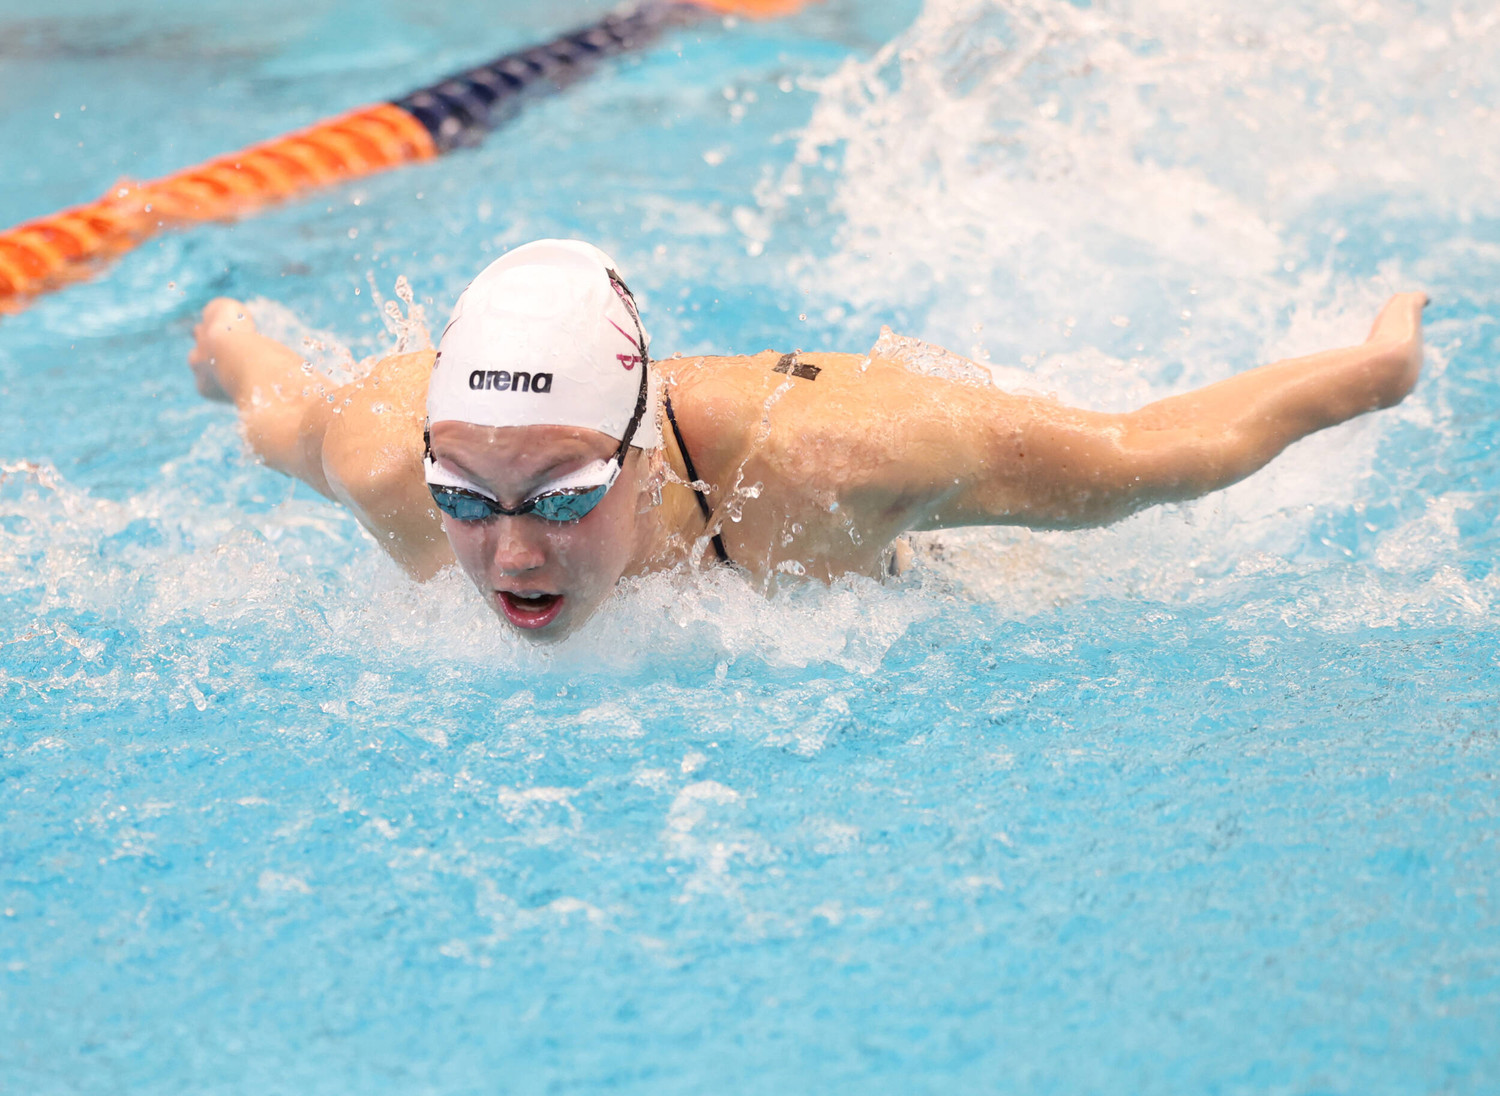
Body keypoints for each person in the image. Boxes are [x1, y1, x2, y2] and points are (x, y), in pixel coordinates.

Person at [188, 239, 1427, 639]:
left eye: (561, 499)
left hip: (914, 555)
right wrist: (233, 342)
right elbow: (281, 409)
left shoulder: (828, 463)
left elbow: (1147, 453)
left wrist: (1366, 377)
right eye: (468, 498)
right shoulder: (389, 461)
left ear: (642, 454)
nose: (511, 553)